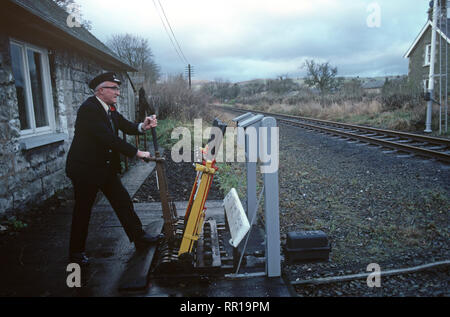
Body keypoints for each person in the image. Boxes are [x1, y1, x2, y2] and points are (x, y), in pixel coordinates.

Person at [66, 72, 161, 265]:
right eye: (114, 88)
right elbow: (108, 138)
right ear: (101, 90)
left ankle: (139, 238)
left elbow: (126, 126)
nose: (118, 92)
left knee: (123, 201)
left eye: (118, 88)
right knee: (83, 210)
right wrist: (137, 152)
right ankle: (76, 253)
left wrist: (143, 126)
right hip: (85, 169)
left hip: (104, 167)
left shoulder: (109, 109)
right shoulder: (89, 109)